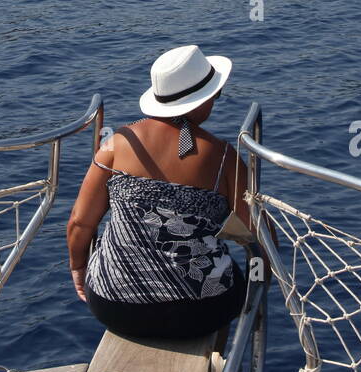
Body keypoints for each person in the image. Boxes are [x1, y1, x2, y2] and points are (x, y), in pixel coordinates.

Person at [66, 44, 251, 343]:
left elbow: (79, 223)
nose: (217, 100)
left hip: (114, 305)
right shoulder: (225, 158)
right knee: (234, 275)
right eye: (215, 95)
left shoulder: (117, 143)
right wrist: (267, 270)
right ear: (199, 101)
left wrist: (78, 268)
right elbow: (253, 233)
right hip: (202, 311)